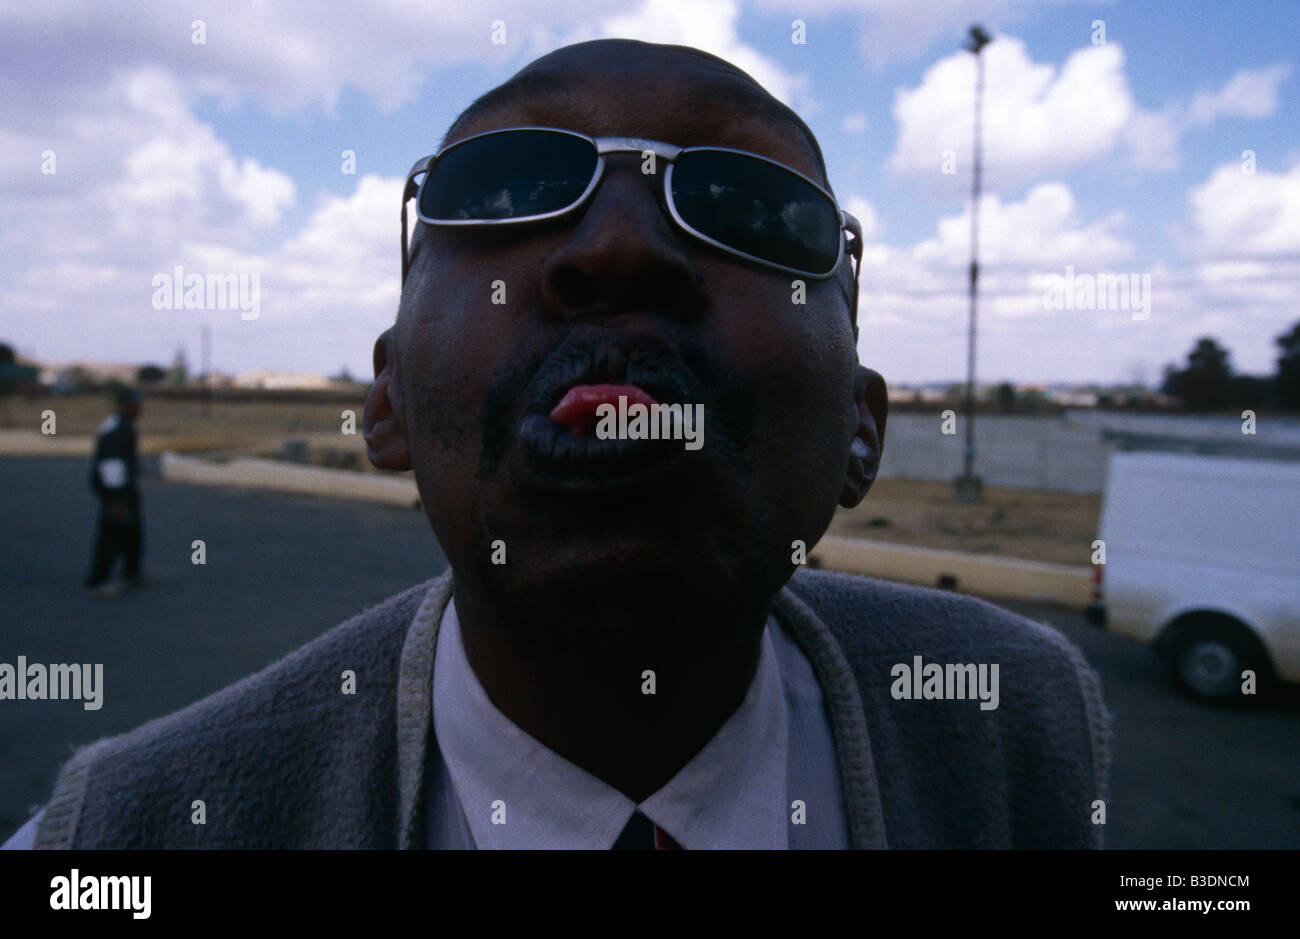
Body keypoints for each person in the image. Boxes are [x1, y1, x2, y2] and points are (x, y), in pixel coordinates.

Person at [6, 39, 1108, 850]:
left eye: (748, 205)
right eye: (511, 189)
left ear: (863, 430)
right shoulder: (120, 837)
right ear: (384, 401)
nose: (622, 246)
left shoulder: (1019, 729)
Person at [84, 384, 143, 596]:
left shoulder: (123, 424)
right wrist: (117, 499)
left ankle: (131, 573)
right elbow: (111, 464)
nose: (140, 410)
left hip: (124, 486)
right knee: (111, 534)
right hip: (115, 489)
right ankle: (98, 580)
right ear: (127, 406)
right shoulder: (115, 428)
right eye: (136, 406)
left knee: (131, 532)